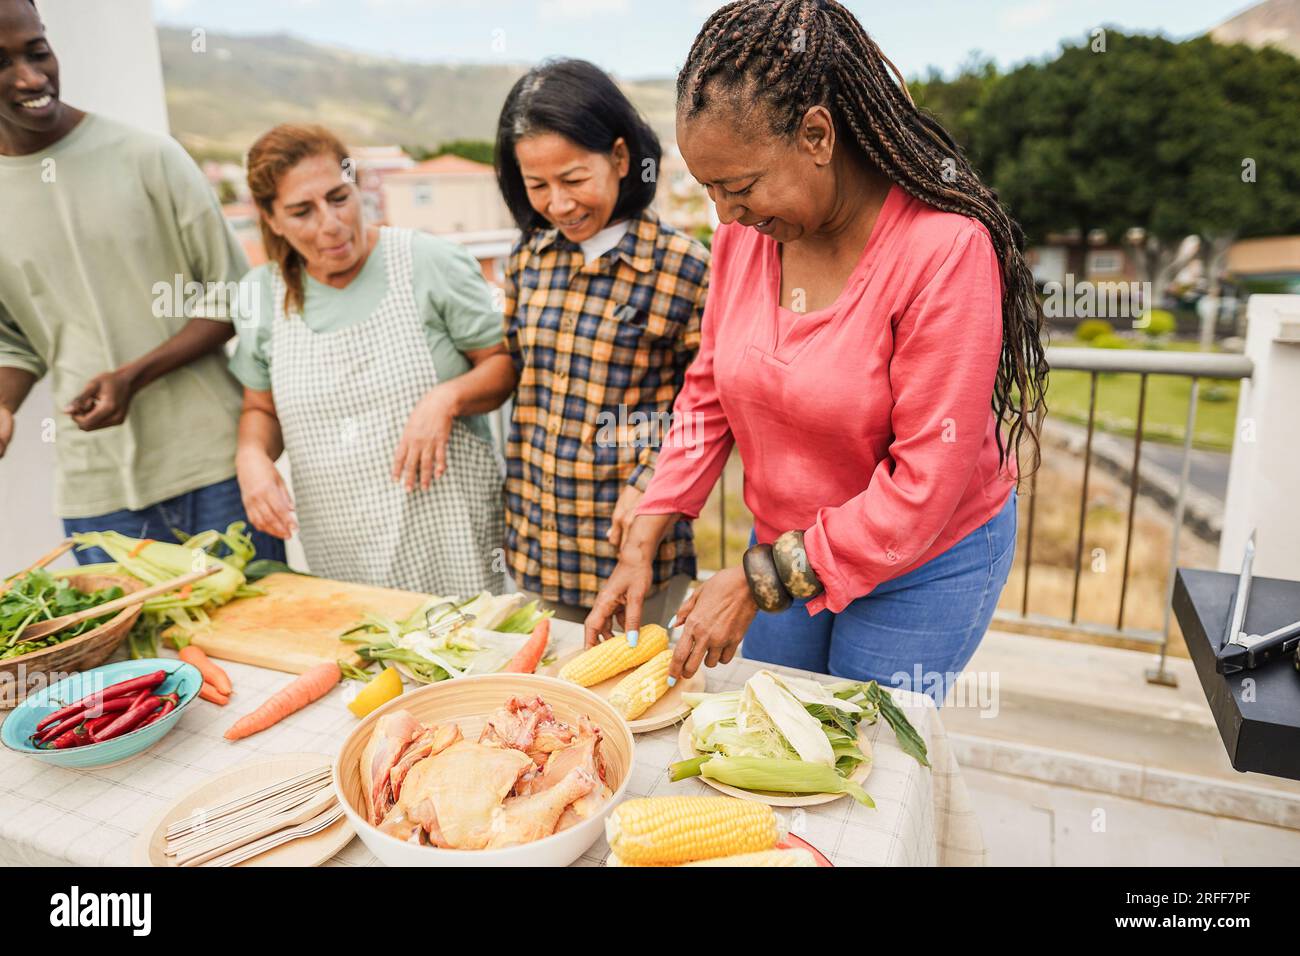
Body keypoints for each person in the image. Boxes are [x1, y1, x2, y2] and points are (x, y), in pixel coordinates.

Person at [586, 0, 1048, 707]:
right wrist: (651, 521)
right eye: (707, 189)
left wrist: (759, 580)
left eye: (739, 186)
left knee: (854, 753)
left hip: (923, 560)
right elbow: (709, 389)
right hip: (785, 545)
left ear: (817, 134)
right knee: (773, 725)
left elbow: (924, 485)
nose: (724, 215)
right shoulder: (746, 237)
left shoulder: (945, 251)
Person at [0, 0, 283, 565]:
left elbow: (234, 294)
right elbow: (16, 337)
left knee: (265, 648)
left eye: (38, 52)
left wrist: (133, 376)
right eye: (2, 63)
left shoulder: (148, 156)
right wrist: (4, 405)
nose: (31, 78)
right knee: (132, 658)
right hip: (95, 491)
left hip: (215, 469)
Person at [230, 124, 515, 595]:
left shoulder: (428, 262)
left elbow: (501, 367)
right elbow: (260, 409)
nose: (330, 224)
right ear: (272, 218)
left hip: (450, 541)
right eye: (302, 211)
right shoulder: (261, 295)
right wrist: (250, 456)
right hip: (340, 548)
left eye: (339, 197)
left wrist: (446, 398)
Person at [494, 59, 710, 627]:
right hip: (536, 548)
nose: (557, 205)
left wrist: (649, 481)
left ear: (619, 158)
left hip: (633, 554)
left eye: (573, 180)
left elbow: (710, 407)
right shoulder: (528, 260)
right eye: (536, 186)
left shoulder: (682, 267)